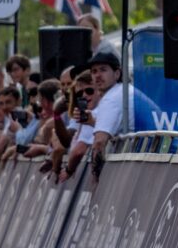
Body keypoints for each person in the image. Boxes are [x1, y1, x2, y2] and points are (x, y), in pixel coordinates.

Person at [64, 51, 161, 179]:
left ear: (117, 73)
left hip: (155, 164)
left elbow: (99, 144)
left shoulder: (111, 98)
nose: (97, 75)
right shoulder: (123, 90)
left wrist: (96, 178)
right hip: (159, 159)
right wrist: (93, 121)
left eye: (103, 70)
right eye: (94, 71)